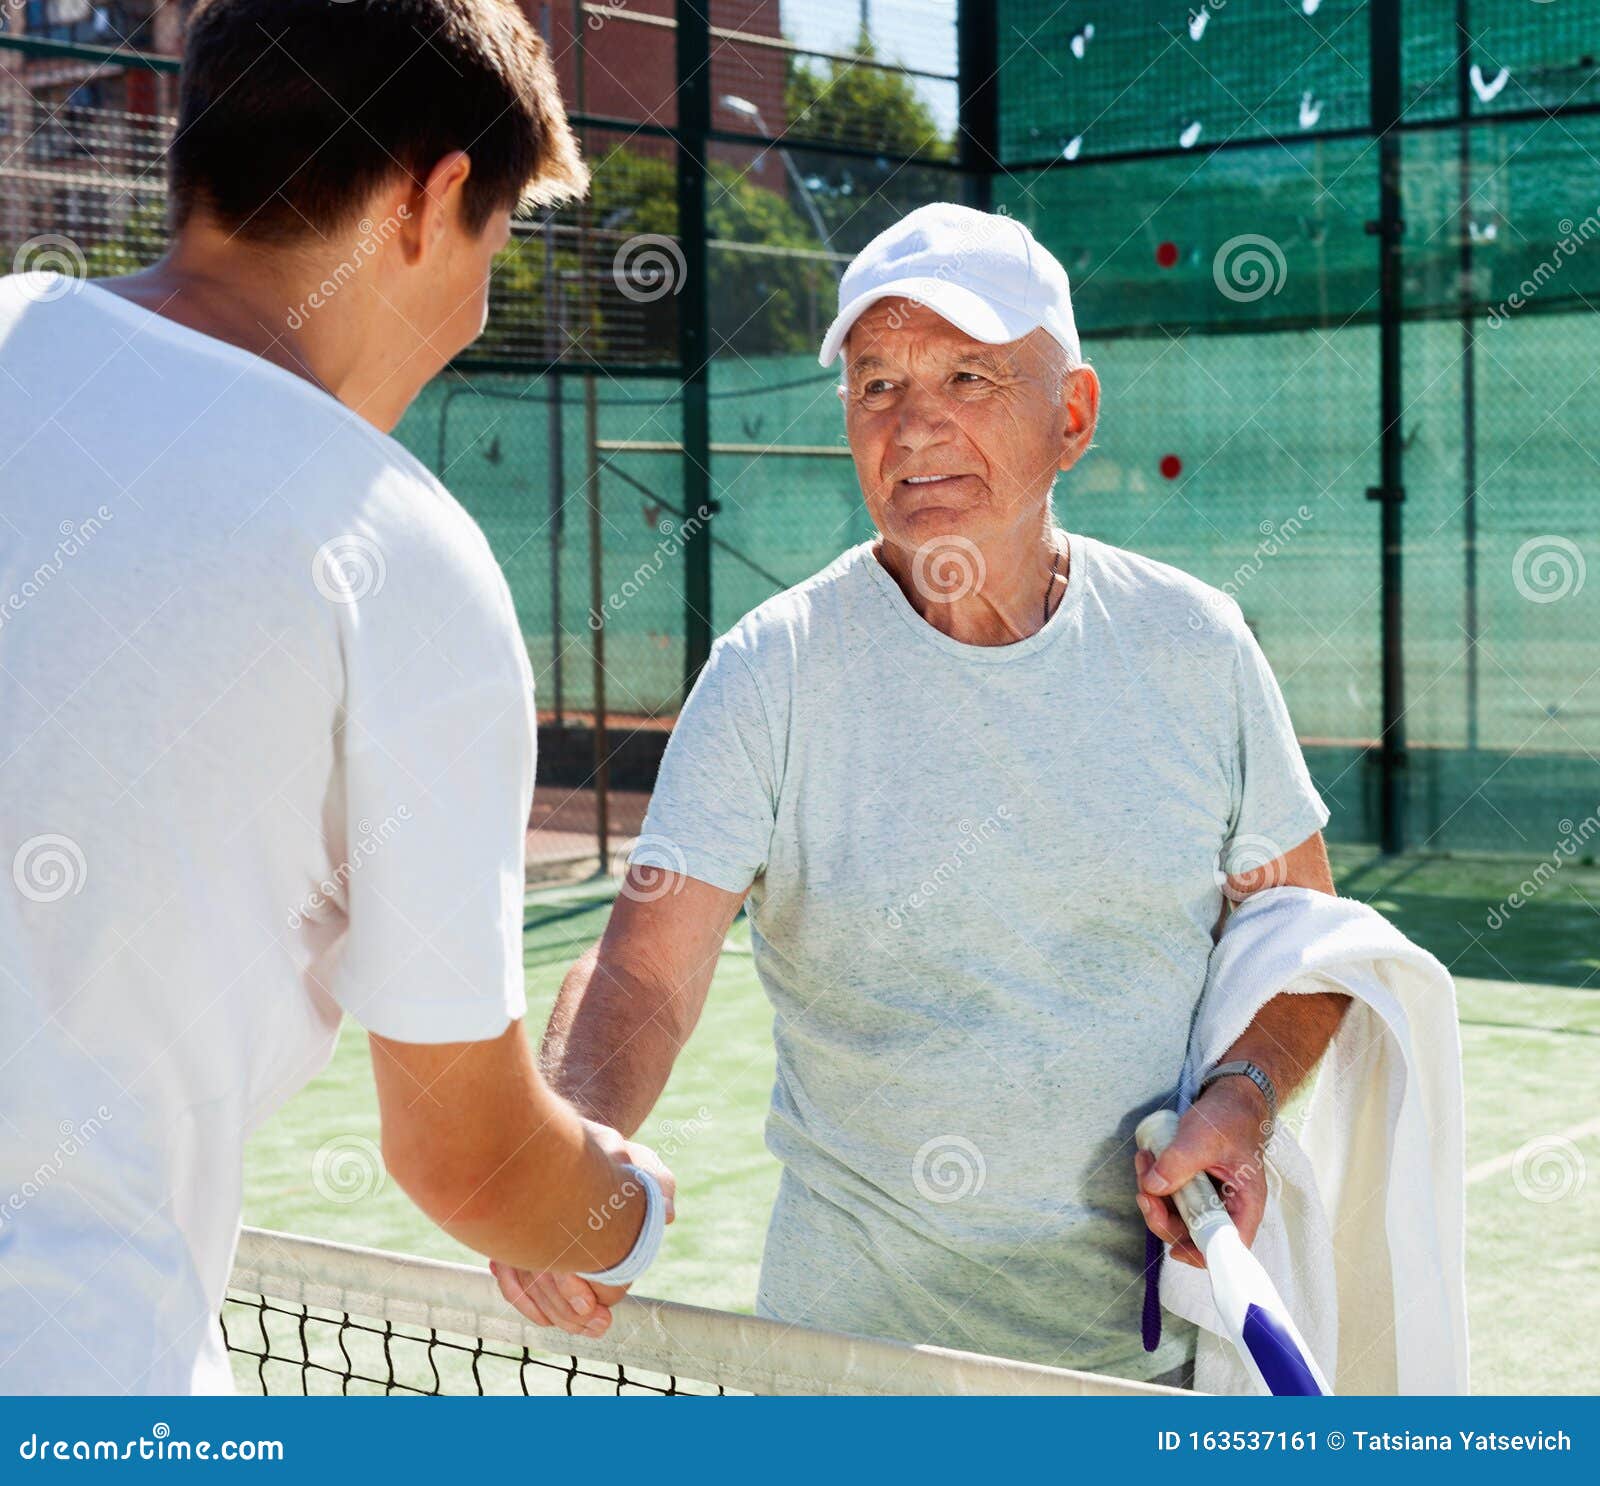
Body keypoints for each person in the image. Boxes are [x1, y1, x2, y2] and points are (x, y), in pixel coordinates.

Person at [509, 203, 1348, 1389]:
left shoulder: (1194, 646)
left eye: (966, 374)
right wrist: (572, 1152)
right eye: (876, 384)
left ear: (1072, 416)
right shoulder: (770, 667)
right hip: (846, 1374)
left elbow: (1307, 945)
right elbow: (643, 969)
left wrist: (1244, 1092)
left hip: (1143, 1372)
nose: (913, 424)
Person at [0, 0, 666, 1396]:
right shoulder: (395, 547)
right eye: (495, 241)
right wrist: (626, 1208)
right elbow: (472, 1159)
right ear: (428, 199)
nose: (478, 311)